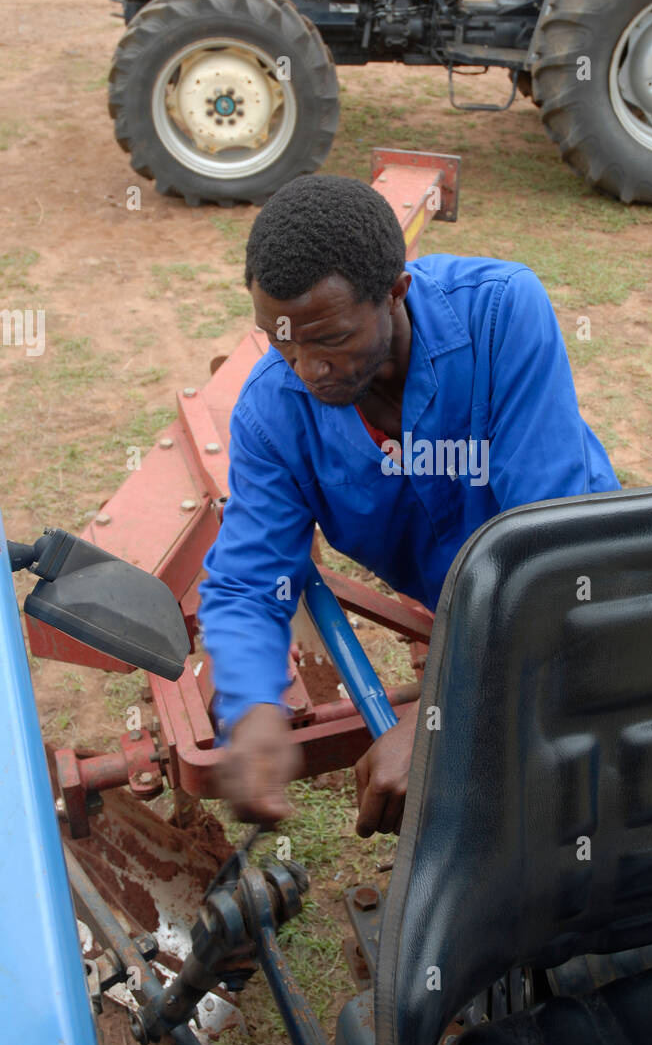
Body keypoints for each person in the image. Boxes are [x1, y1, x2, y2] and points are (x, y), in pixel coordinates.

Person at [198, 174, 620, 836]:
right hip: (463, 604)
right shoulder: (273, 413)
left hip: (586, 596)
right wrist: (252, 706)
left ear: (397, 290)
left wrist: (441, 721)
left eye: (329, 339)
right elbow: (250, 582)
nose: (306, 369)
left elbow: (558, 557)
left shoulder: (502, 314)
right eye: (281, 339)